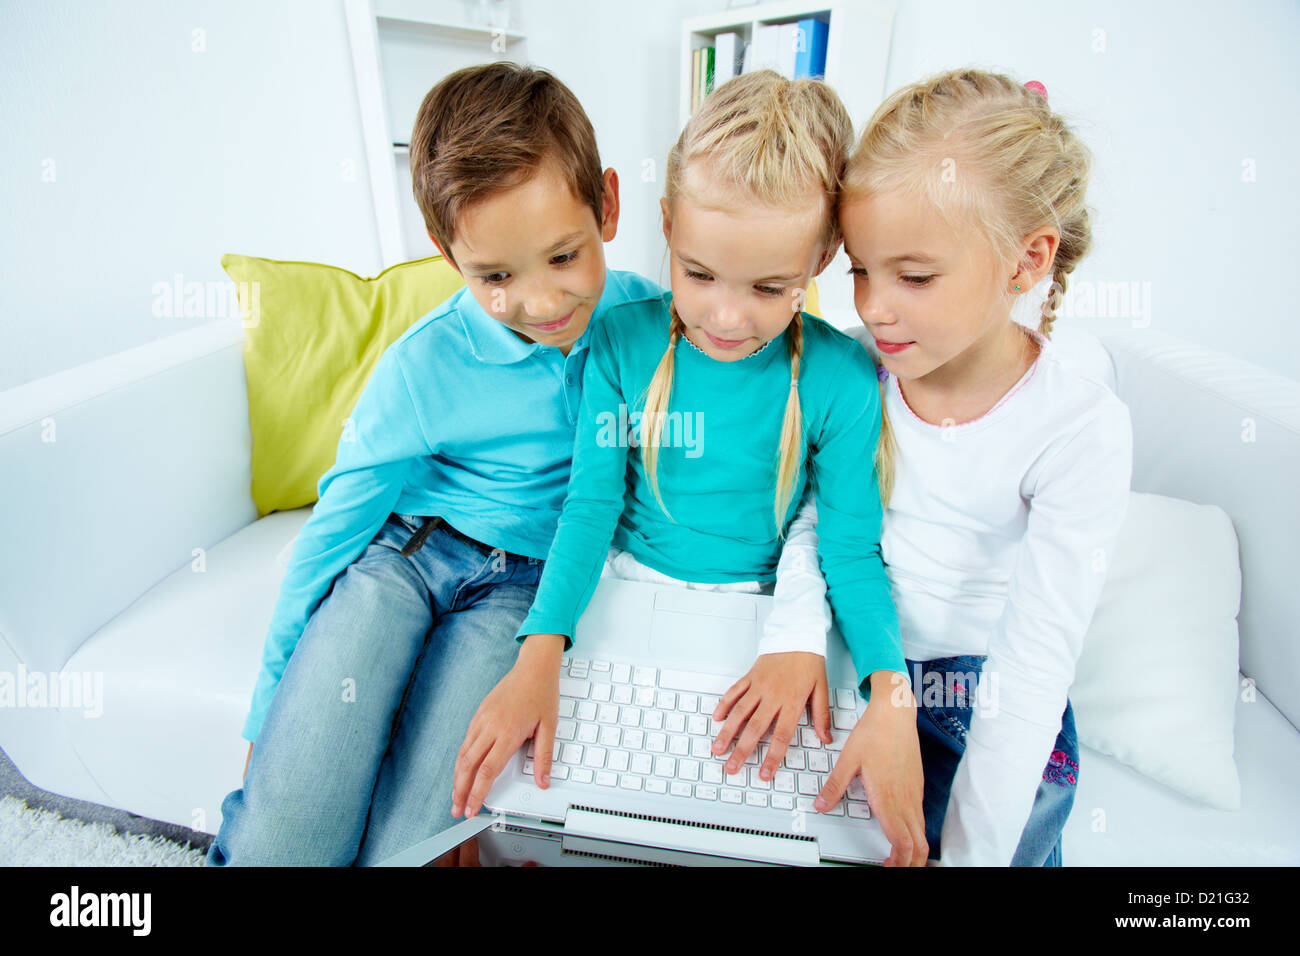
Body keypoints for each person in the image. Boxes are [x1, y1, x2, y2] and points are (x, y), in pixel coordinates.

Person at [451, 71, 929, 867]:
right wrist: (541, 652)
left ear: (823, 255)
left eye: (772, 287)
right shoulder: (620, 345)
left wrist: (893, 697)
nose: (726, 317)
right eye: (699, 273)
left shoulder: (844, 379)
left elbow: (851, 550)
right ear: (666, 226)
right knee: (554, 816)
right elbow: (590, 506)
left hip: (759, 619)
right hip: (627, 596)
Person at [207, 61, 663, 866]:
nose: (541, 303)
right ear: (449, 255)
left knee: (412, 847)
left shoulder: (646, 324)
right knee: (282, 844)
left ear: (610, 205)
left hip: (521, 585)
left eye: (564, 256)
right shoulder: (424, 369)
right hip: (404, 557)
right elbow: (329, 541)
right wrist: (266, 719)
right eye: (495, 276)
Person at [804, 68, 1133, 865]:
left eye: (913, 277)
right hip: (862, 652)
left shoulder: (1080, 424)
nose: (874, 306)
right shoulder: (854, 368)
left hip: (982, 697)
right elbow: (813, 526)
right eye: (860, 271)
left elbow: (1033, 666)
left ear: (1027, 261)